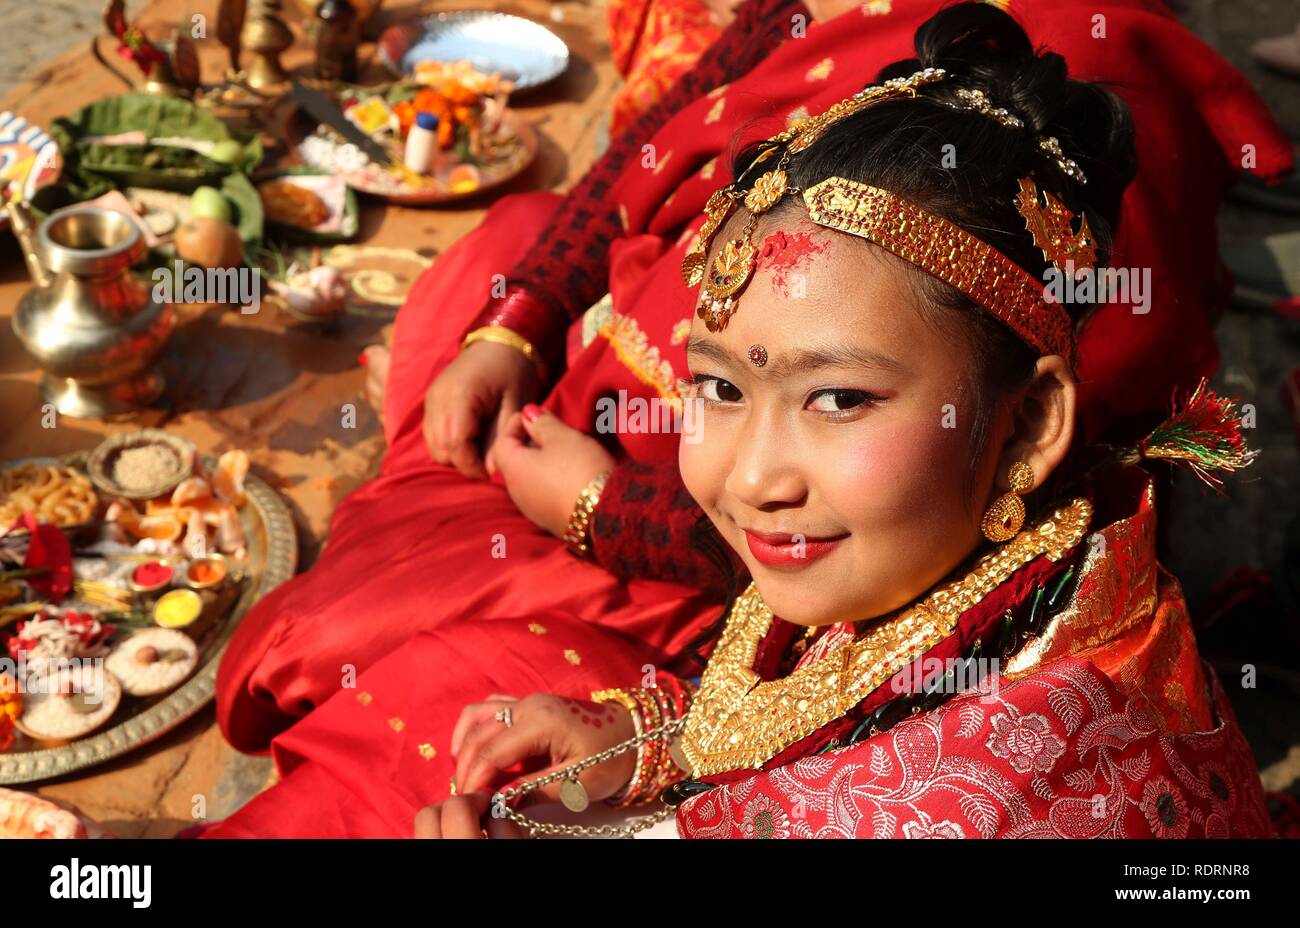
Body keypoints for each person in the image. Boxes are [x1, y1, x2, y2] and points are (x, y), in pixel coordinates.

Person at [202, 4, 1274, 838]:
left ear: (1035, 420)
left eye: (838, 398)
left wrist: (599, 512)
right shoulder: (981, 556)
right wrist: (654, 736)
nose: (752, 475)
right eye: (716, 386)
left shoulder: (1005, 788)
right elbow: (843, 696)